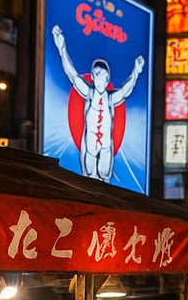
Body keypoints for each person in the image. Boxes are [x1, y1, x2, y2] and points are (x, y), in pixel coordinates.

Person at [51, 23, 146, 182]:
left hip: (105, 145)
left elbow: (125, 90)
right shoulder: (88, 92)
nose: (98, 78)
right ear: (93, 77)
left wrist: (136, 72)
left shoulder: (110, 98)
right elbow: (72, 75)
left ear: (107, 78)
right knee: (88, 178)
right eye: (95, 74)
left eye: (102, 75)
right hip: (90, 143)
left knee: (104, 179)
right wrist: (62, 49)